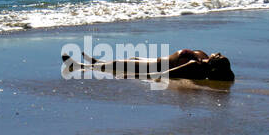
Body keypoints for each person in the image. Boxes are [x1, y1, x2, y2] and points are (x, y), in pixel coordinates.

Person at [65, 47, 234, 82]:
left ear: (214, 63)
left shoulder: (194, 65)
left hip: (155, 67)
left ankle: (78, 66)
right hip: (157, 60)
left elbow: (164, 74)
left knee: (120, 64)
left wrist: (134, 76)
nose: (218, 53)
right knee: (131, 58)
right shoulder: (202, 60)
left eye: (219, 56)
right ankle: (98, 63)